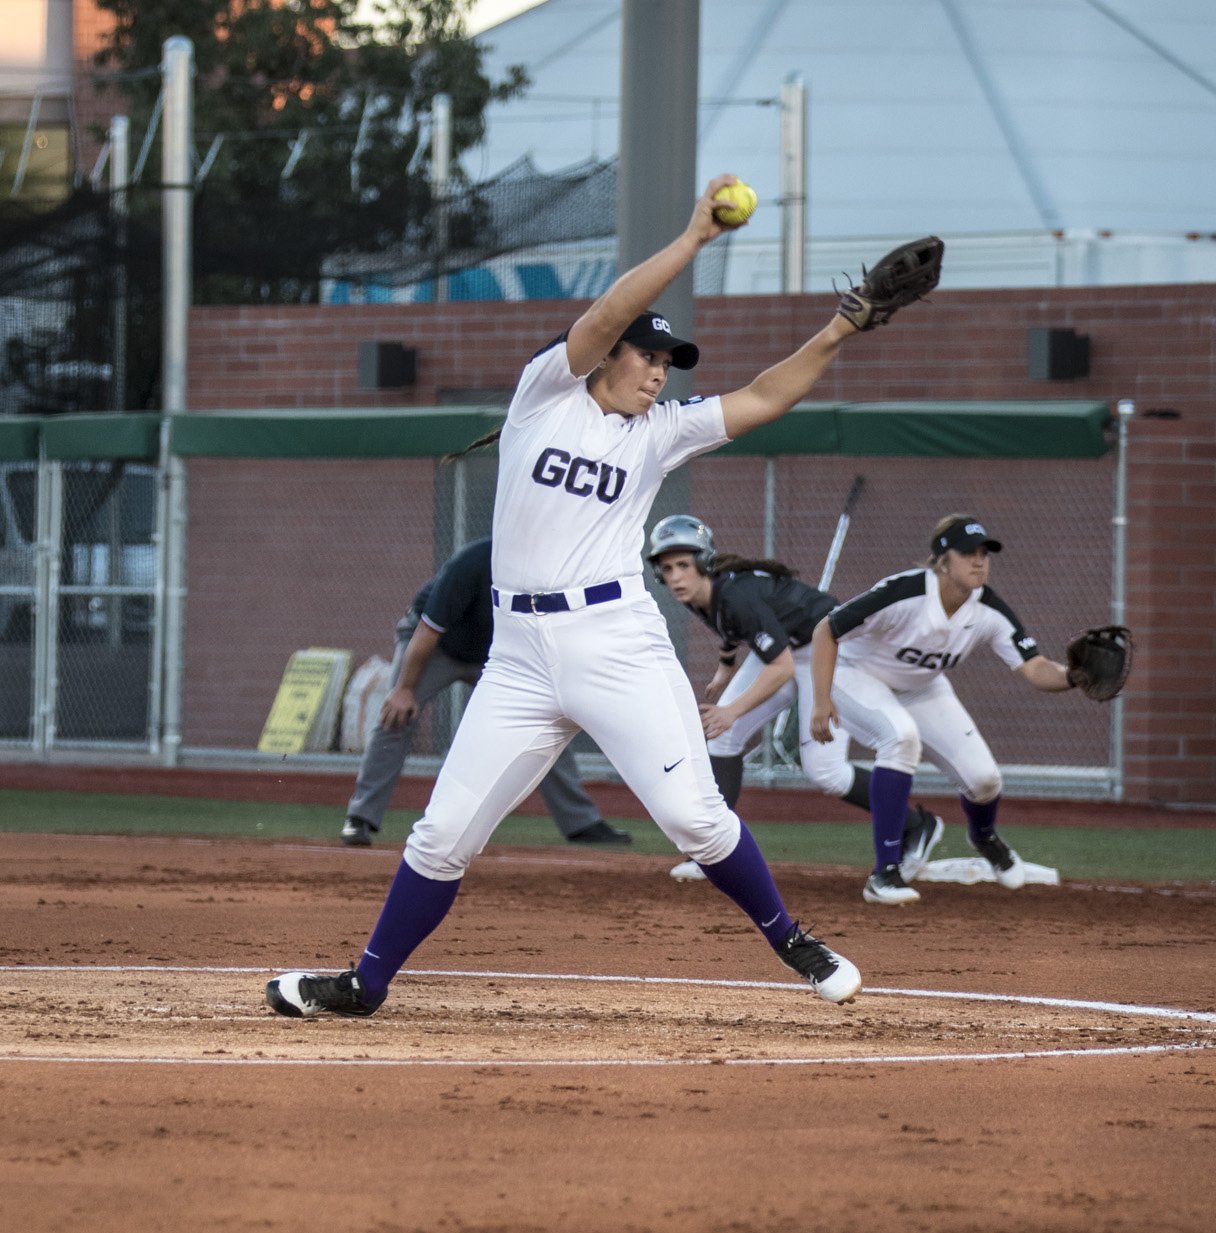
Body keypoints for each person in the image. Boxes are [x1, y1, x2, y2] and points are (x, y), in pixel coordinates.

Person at [266, 176, 938, 1019]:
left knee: (695, 821)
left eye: (667, 363)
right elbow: (606, 309)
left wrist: (844, 325)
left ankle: (792, 939)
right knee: (440, 835)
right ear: (609, 352)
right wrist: (694, 237)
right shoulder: (545, 392)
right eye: (646, 354)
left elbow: (768, 394)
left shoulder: (657, 434)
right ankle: (367, 983)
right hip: (518, 656)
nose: (657, 373)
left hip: (614, 640)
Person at [645, 513, 942, 882]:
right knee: (721, 733)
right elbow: (734, 629)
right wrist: (725, 665)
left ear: (705, 562)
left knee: (826, 773)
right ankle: (713, 849)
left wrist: (732, 710)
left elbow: (781, 666)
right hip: (786, 650)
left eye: (683, 565)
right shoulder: (703, 593)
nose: (675, 576)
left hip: (829, 652)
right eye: (667, 568)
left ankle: (918, 824)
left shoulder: (734, 594)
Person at [810, 514, 1076, 905]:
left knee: (984, 780)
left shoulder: (989, 609)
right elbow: (826, 630)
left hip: (923, 687)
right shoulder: (906, 592)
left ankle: (984, 837)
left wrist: (1076, 676)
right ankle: (885, 873)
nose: (979, 561)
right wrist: (820, 700)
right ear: (942, 560)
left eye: (985, 553)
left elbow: (1034, 667)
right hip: (857, 673)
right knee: (900, 737)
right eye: (968, 552)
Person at [339, 537, 631, 849]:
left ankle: (581, 823)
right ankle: (360, 818)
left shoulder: (552, 572)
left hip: (498, 653)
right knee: (396, 717)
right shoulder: (473, 563)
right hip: (437, 645)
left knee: (545, 720)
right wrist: (405, 689)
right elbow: (428, 629)